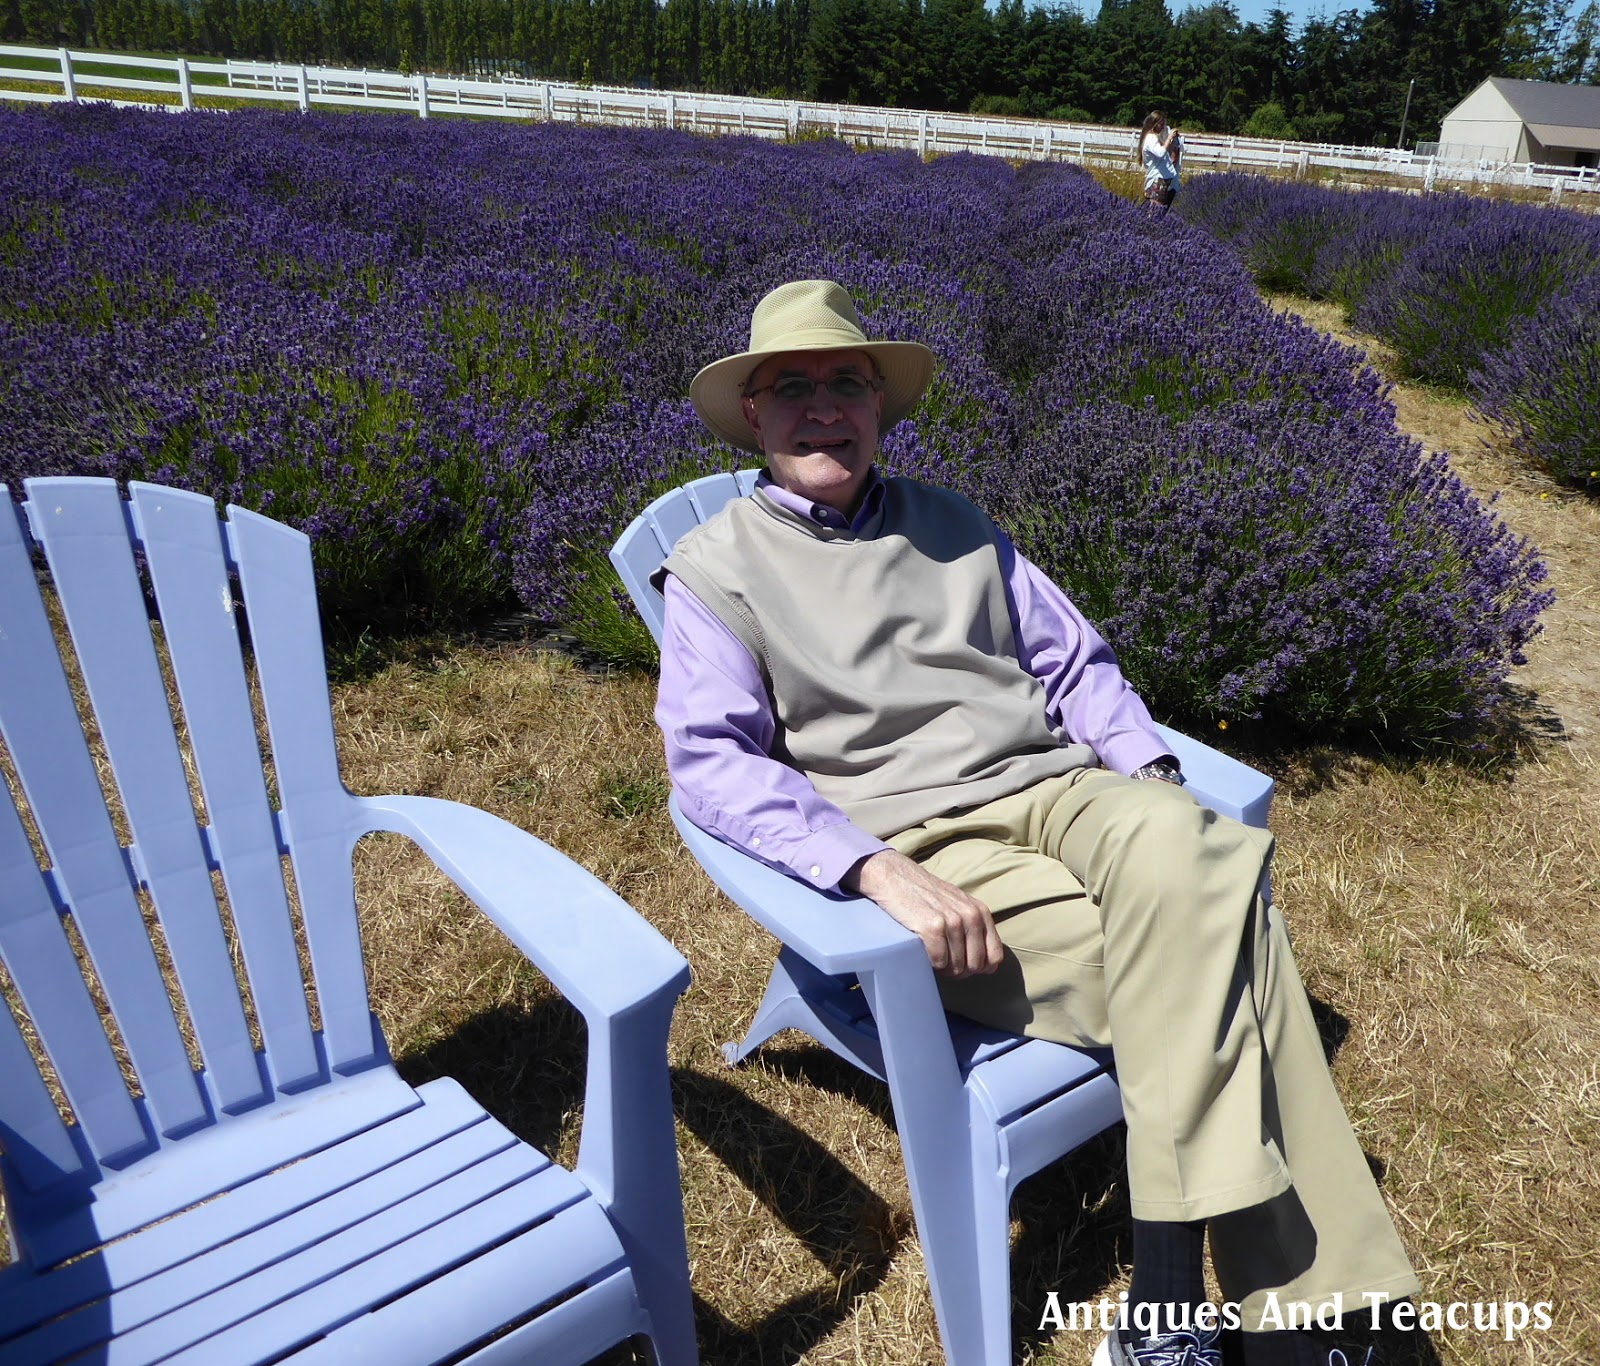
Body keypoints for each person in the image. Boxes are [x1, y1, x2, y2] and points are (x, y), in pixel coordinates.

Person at [652, 279, 1421, 1366]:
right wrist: (872, 869)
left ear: (879, 406)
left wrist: (1149, 768)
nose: (822, 407)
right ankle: (1307, 1320)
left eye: (845, 383)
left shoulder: (956, 523)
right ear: (754, 417)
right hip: (925, 842)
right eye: (791, 389)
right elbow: (709, 765)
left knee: (1183, 843)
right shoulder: (716, 569)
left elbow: (1073, 661)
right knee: (1235, 941)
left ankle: (1172, 1310)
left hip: (1058, 787)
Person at [1138, 110, 1183, 215]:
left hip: (1162, 179)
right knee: (1155, 213)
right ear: (1154, 123)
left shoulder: (1154, 137)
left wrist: (1173, 142)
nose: (1163, 127)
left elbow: (1166, 154)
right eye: (1161, 124)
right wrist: (1169, 137)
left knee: (1157, 211)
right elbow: (1161, 153)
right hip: (1158, 180)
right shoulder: (1151, 137)